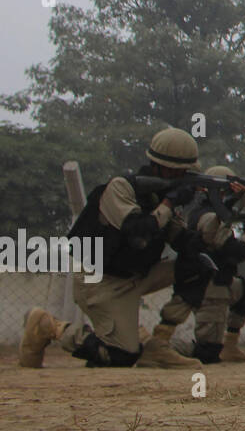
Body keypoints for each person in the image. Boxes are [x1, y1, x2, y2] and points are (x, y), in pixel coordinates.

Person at [19, 127, 214, 369]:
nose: (185, 178)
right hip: (100, 281)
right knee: (121, 357)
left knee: (198, 265)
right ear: (162, 168)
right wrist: (169, 201)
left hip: (136, 276)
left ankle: (159, 343)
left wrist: (220, 211)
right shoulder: (121, 188)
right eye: (181, 173)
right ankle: (49, 326)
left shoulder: (159, 198)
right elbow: (138, 229)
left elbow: (187, 245)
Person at [153, 165, 245, 364]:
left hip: (221, 284)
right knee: (207, 353)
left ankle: (230, 347)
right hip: (208, 289)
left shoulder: (213, 214)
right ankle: (156, 347)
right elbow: (235, 251)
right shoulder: (208, 215)